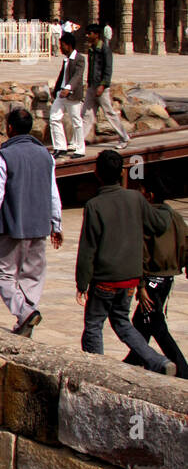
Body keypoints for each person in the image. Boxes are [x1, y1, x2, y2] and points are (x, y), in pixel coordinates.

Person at [76, 150, 176, 375]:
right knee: (122, 323)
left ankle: (96, 373)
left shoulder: (94, 205)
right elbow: (158, 225)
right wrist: (166, 207)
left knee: (94, 325)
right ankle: (158, 361)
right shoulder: (136, 199)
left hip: (105, 280)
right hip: (131, 279)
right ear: (122, 173)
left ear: (96, 173)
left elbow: (87, 249)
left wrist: (82, 282)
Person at [0, 106, 64, 337]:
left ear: (9, 128)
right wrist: (56, 224)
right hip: (39, 226)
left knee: (2, 273)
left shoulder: (5, 156)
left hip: (11, 226)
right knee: (32, 275)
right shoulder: (46, 156)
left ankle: (24, 313)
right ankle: (26, 315)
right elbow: (53, 192)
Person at [124, 172, 188, 376]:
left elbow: (141, 253)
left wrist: (140, 286)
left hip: (152, 279)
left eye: (141, 190)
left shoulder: (147, 218)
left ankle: (182, 369)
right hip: (167, 278)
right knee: (142, 320)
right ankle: (134, 359)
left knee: (155, 322)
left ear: (149, 195)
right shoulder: (175, 215)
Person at [82, 23, 131, 150]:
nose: (87, 36)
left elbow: (108, 69)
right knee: (86, 114)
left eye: (89, 33)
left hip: (100, 88)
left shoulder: (105, 49)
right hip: (92, 86)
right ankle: (79, 141)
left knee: (109, 113)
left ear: (96, 35)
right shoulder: (92, 48)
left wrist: (103, 85)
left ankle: (124, 137)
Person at [48, 32, 86, 158]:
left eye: (62, 45)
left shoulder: (80, 58)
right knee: (54, 118)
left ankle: (80, 149)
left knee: (76, 121)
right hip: (61, 94)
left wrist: (68, 88)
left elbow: (77, 76)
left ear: (68, 45)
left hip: (72, 95)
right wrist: (56, 90)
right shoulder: (66, 59)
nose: (60, 47)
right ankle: (60, 146)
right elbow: (62, 75)